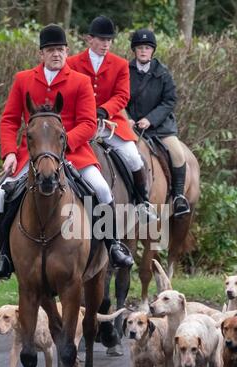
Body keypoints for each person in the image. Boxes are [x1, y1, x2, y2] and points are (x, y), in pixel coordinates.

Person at [0, 24, 133, 280]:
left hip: (74, 152)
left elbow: (88, 124)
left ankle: (114, 246)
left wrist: (61, 146)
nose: (57, 54)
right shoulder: (23, 79)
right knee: (1, 195)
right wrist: (10, 152)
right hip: (31, 155)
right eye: (51, 50)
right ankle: (3, 256)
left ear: (67, 52)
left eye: (61, 49)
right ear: (41, 54)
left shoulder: (80, 81)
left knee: (100, 189)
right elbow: (10, 120)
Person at [66, 16, 158, 223]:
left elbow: (122, 95)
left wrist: (104, 110)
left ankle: (142, 203)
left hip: (110, 125)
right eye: (101, 39)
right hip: (80, 124)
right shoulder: (72, 63)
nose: (106, 44)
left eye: (109, 40)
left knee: (134, 157)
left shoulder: (120, 64)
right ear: (90, 39)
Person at [127, 28, 190, 217]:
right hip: (132, 126)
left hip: (161, 128)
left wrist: (150, 119)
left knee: (178, 154)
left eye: (147, 47)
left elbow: (170, 100)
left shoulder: (163, 73)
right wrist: (127, 118)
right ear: (134, 50)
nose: (143, 51)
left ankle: (178, 196)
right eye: (139, 48)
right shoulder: (125, 71)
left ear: (152, 50)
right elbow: (119, 97)